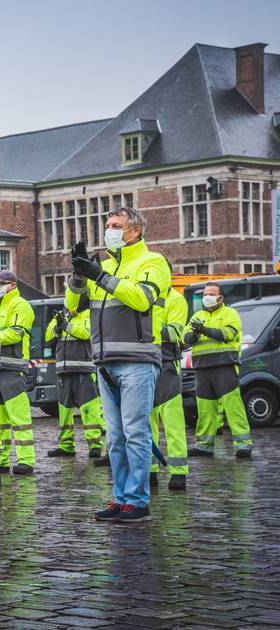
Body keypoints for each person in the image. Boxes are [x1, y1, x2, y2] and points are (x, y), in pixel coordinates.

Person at [68, 206, 169, 524]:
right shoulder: (105, 265)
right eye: (107, 225)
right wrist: (79, 277)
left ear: (135, 231)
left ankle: (137, 501)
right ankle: (122, 498)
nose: (109, 230)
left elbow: (141, 299)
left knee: (136, 433)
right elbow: (73, 307)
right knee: (116, 437)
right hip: (105, 362)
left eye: (116, 225)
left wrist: (99, 275)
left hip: (137, 361)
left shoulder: (153, 262)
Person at [186, 283, 252, 459]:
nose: (207, 297)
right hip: (202, 368)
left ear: (220, 298)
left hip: (224, 367)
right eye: (205, 294)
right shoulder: (196, 316)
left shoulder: (230, 314)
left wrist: (203, 329)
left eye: (211, 294)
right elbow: (185, 338)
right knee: (205, 410)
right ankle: (203, 446)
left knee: (233, 407)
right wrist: (193, 334)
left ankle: (243, 445)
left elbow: (227, 334)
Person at [45, 302, 107, 462]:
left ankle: (95, 445)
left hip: (84, 370)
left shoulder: (88, 313)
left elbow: (86, 333)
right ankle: (66, 445)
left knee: (89, 410)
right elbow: (47, 336)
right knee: (64, 412)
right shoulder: (62, 314)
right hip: (63, 371)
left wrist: (65, 325)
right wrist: (58, 327)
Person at [0, 270, 36, 474]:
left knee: (19, 417)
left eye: (0, 284)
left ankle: (26, 460)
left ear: (12, 285)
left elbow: (16, 334)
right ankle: (3, 458)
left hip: (14, 368)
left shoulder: (21, 305)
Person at [152, 287, 190, 490]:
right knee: (144, 424)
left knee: (173, 422)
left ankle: (178, 472)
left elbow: (174, 333)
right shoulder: (142, 294)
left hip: (167, 364)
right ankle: (150, 470)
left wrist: (144, 330)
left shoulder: (175, 300)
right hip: (143, 363)